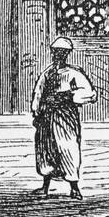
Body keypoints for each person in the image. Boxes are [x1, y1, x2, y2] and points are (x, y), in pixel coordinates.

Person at [31, 36, 97, 199]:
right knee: (46, 149)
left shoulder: (74, 73)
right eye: (55, 52)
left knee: (67, 148)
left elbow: (89, 93)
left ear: (67, 54)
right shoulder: (47, 73)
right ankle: (45, 186)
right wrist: (36, 110)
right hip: (47, 115)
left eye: (61, 52)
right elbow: (38, 93)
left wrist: (68, 97)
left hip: (65, 116)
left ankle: (74, 188)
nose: (58, 55)